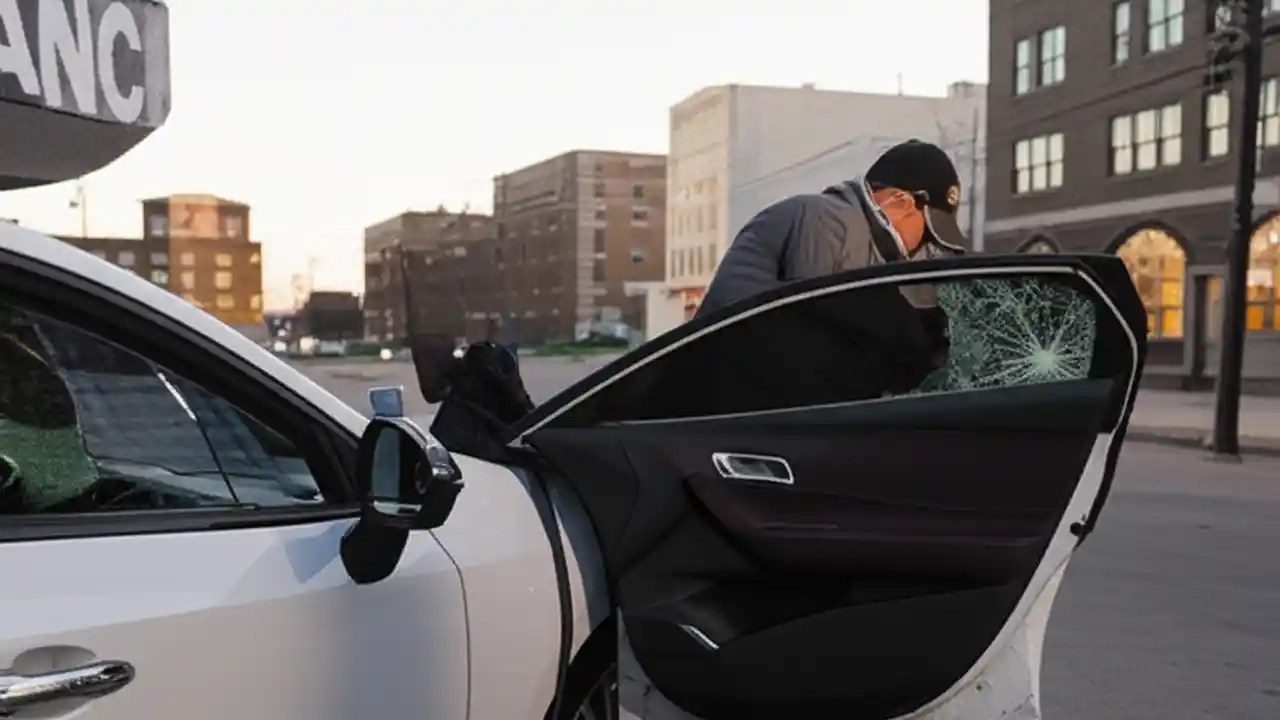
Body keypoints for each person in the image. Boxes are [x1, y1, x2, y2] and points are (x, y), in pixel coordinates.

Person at [695, 139, 968, 318]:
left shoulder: (867, 242)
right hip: (723, 375)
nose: (922, 246)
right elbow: (816, 326)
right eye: (926, 233)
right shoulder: (826, 222)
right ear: (900, 202)